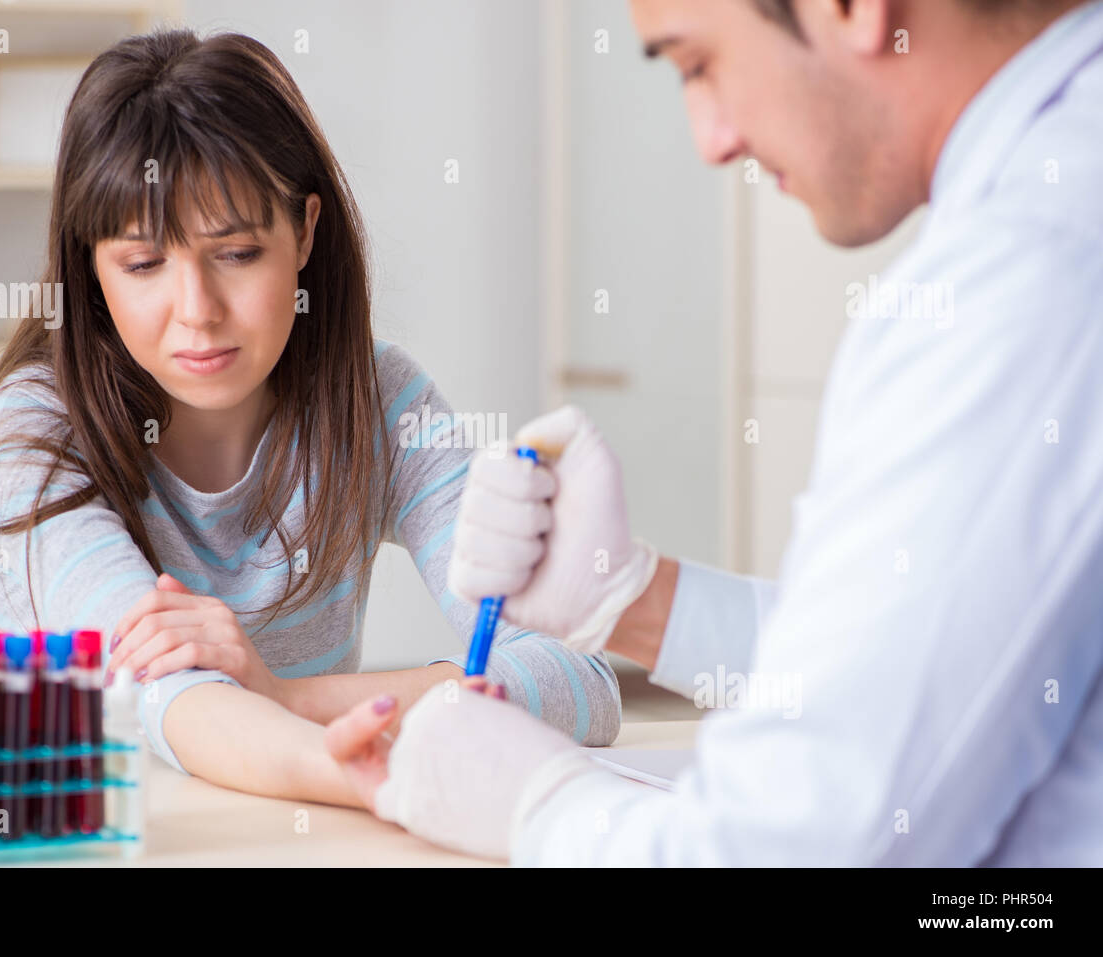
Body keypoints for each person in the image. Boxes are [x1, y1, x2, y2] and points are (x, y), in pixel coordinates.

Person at [325, 0, 1103, 864]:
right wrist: (632, 599)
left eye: (697, 64)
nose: (713, 140)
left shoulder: (1031, 272)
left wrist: (541, 806)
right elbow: (909, 665)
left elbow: (809, 843)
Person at [0, 29, 620, 807]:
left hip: (296, 830)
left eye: (238, 253)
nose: (198, 314)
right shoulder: (33, 427)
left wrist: (287, 698)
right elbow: (164, 690)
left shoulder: (381, 401)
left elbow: (579, 681)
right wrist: (385, 749)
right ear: (90, 267)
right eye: (144, 264)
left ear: (306, 231)